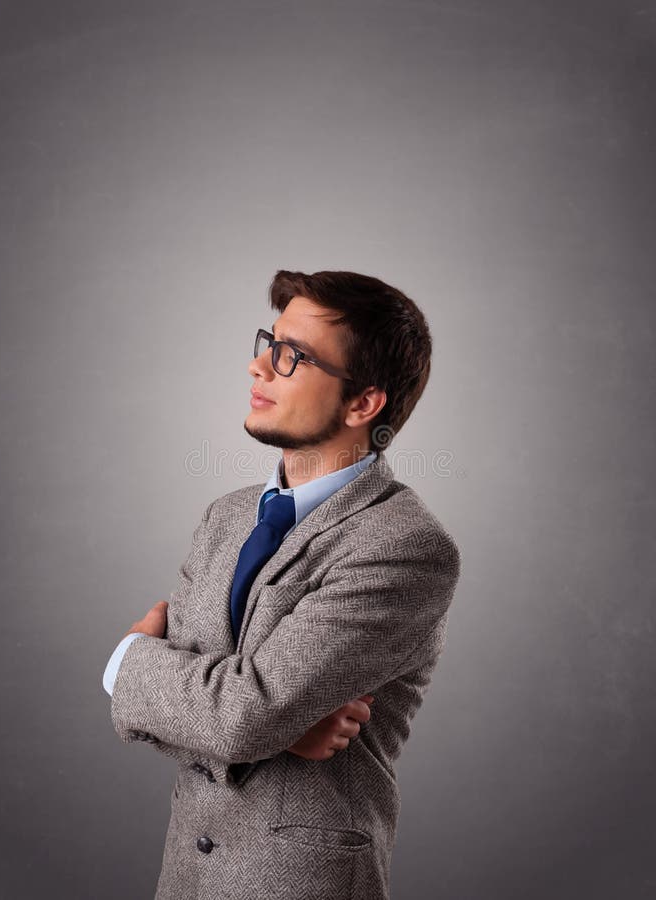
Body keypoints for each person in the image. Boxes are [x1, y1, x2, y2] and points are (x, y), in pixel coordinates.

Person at [102, 269, 461, 900]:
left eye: (292, 356)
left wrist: (125, 662)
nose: (257, 367)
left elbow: (240, 716)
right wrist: (268, 725)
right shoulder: (226, 517)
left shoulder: (405, 548)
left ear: (362, 404)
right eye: (270, 341)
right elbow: (240, 718)